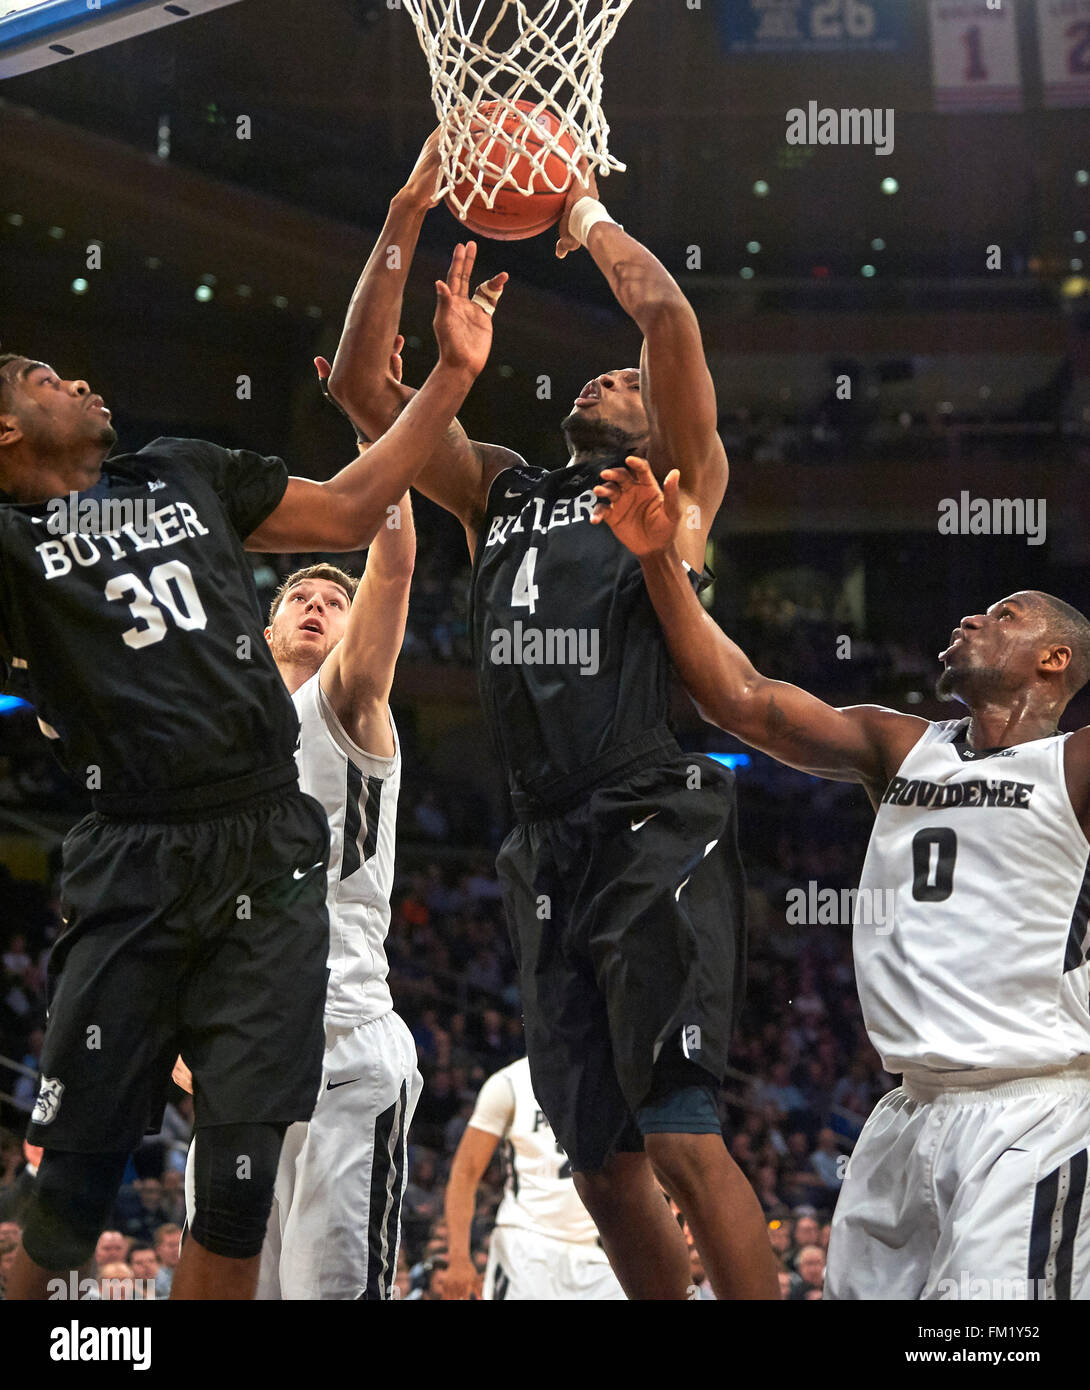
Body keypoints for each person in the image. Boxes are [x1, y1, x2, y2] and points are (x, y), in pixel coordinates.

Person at [0, 242, 502, 1301]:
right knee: (59, 1214)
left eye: (335, 598)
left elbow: (370, 522)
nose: (83, 381)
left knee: (249, 1230)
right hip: (139, 862)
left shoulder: (189, 480)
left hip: (282, 897)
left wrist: (440, 379)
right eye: (47, 379)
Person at [328, 128, 777, 1302]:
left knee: (679, 1139)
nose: (604, 378)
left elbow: (667, 321)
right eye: (596, 375)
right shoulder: (501, 488)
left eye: (618, 382)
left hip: (646, 810)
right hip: (539, 836)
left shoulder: (676, 488)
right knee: (600, 1165)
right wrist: (405, 215)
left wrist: (576, 212)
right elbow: (359, 391)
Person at [590, 453, 1090, 1300]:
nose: (974, 616)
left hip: (1035, 1112)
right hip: (905, 1112)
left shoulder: (1074, 764)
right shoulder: (896, 744)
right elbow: (739, 699)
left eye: (1004, 616)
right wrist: (656, 563)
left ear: (1054, 661)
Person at [180, 341, 426, 1298]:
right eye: (300, 595)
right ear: (268, 624)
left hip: (341, 1041)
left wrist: (374, 418)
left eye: (337, 596)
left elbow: (394, 567)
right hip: (245, 1050)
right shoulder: (229, 730)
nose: (321, 606)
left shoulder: (351, 698)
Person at [443, 1055, 624, 1301]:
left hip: (594, 1249)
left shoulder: (611, 1080)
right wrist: (458, 1258)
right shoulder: (509, 1083)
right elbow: (465, 1173)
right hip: (524, 1244)